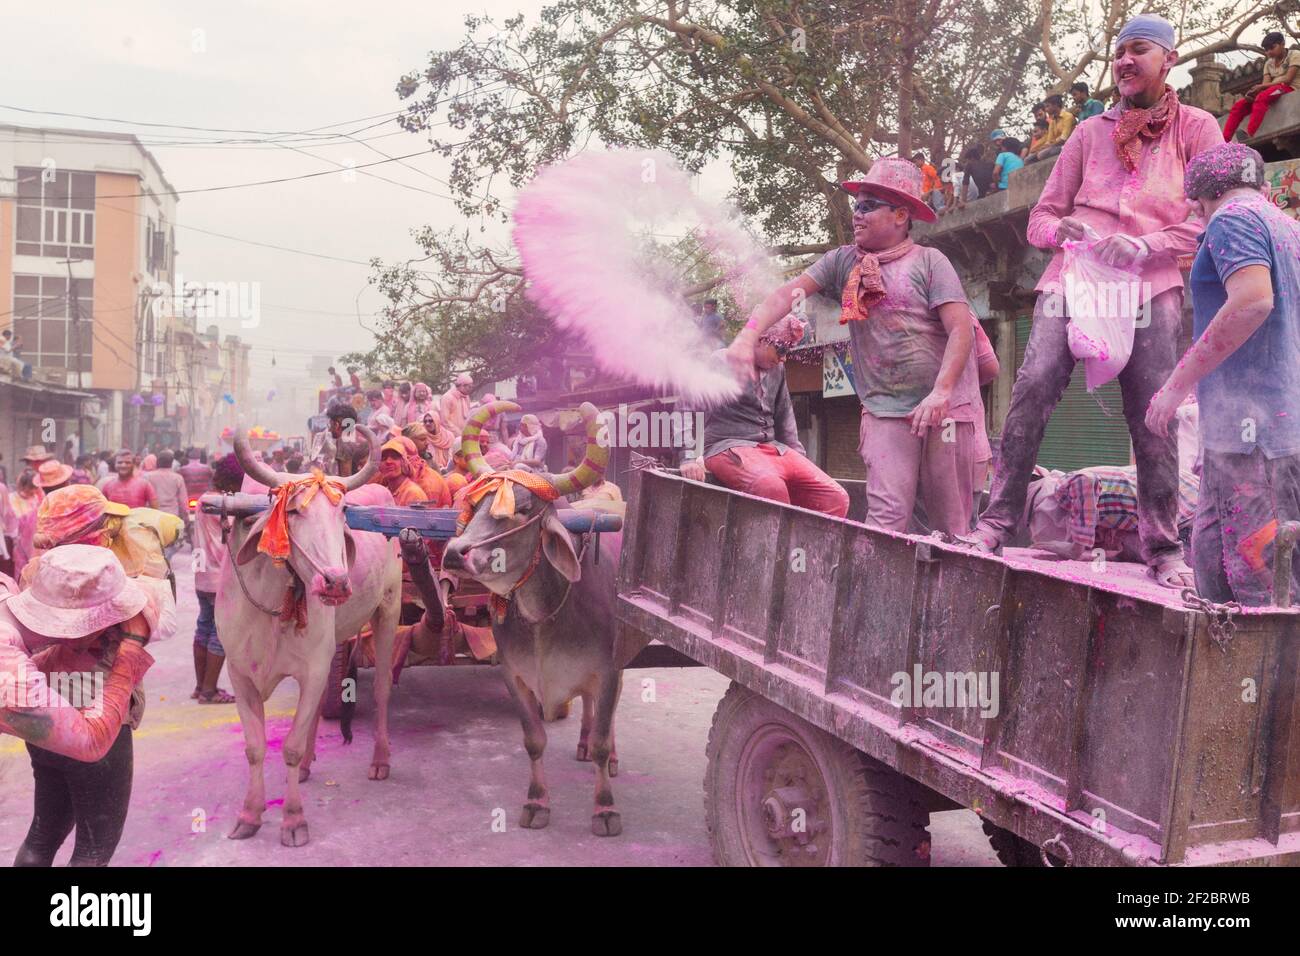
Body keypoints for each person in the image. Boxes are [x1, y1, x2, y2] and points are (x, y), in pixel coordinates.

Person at [965, 13, 1222, 589]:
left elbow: (1209, 217)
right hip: (1075, 277)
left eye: (1138, 50)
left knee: (1154, 412)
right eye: (1119, 52)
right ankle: (996, 523)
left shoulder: (1199, 128)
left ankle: (1163, 549)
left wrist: (1148, 245)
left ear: (1168, 60)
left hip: (1152, 280)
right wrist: (1067, 235)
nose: (1125, 60)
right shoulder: (1087, 133)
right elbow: (1040, 219)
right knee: (1032, 386)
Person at [729, 159, 982, 534]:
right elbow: (787, 294)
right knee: (886, 523)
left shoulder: (930, 262)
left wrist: (942, 391)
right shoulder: (842, 262)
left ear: (900, 215)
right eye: (856, 205)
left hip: (944, 410)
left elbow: (962, 331)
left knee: (951, 529)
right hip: (884, 410)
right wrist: (747, 335)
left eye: (867, 206)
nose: (856, 215)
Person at [1145, 143, 1300, 605]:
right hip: (1260, 430)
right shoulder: (1288, 227)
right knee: (1212, 561)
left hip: (1257, 439)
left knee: (1261, 583)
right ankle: (1222, 672)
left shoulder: (1230, 220)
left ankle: (1262, 678)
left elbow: (1252, 302)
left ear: (1199, 196)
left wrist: (1176, 387)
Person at [4, 546, 153, 867]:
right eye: (112, 617)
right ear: (77, 627)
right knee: (92, 854)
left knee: (43, 835)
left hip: (52, 716)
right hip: (84, 729)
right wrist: (131, 648)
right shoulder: (13, 681)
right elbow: (91, 743)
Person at [683, 316, 851, 518]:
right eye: (781, 350)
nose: (784, 358)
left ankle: (808, 549)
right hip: (727, 446)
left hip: (772, 450)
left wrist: (799, 462)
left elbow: (785, 417)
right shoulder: (721, 361)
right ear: (762, 339)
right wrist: (687, 457)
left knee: (835, 497)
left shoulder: (778, 370)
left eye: (788, 351)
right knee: (771, 488)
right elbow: (684, 405)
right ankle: (775, 550)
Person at [191, 453, 244, 704]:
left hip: (201, 576)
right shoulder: (223, 503)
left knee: (203, 627)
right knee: (220, 633)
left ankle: (200, 686)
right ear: (232, 480)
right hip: (219, 577)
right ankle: (209, 691)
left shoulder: (203, 500)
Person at [1223, 32, 1299, 142]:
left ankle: (1249, 134)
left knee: (1262, 98)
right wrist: (1254, 94)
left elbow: (1287, 80)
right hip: (1274, 90)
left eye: (1272, 48)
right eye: (1266, 50)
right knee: (1239, 106)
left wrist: (1261, 88)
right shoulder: (1269, 64)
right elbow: (1265, 86)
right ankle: (1224, 140)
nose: (1269, 52)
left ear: (1282, 44)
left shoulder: (1294, 55)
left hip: (1289, 88)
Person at [10, 470, 42, 579]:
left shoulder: (35, 498)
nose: (33, 490)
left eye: (35, 487)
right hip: (18, 542)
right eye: (31, 487)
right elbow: (12, 522)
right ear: (23, 486)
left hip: (34, 542)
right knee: (21, 572)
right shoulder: (12, 498)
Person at [1026, 94, 1076, 162]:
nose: (1046, 110)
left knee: (1041, 155)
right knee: (1029, 158)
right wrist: (1042, 148)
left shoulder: (1068, 116)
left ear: (1055, 105)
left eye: (1047, 106)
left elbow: (1064, 138)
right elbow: (1049, 140)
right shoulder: (1053, 121)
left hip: (1068, 144)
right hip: (1056, 145)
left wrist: (1050, 146)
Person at [143, 449, 188, 524]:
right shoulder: (177, 478)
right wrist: (185, 517)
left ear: (157, 462)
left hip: (152, 516)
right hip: (172, 516)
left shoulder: (147, 476)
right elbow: (183, 501)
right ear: (171, 463)